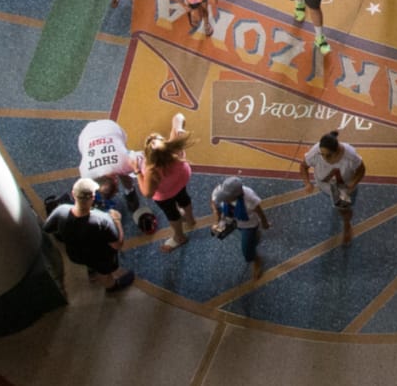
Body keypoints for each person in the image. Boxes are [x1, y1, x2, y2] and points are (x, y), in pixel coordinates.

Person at [45, 177, 133, 293]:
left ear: (73, 194)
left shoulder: (61, 210)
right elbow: (117, 244)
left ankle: (91, 272)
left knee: (89, 262)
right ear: (92, 198)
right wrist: (117, 221)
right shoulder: (103, 219)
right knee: (104, 274)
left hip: (75, 253)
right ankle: (111, 287)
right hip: (100, 256)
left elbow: (48, 229)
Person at [136, 111, 195, 251]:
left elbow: (147, 192)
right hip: (181, 182)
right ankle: (190, 219)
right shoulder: (175, 148)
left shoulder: (151, 170)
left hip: (165, 195)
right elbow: (179, 116)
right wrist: (178, 130)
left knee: (172, 213)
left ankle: (179, 237)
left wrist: (138, 172)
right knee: (184, 198)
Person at [300, 130, 368, 244]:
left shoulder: (350, 156)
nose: (324, 158)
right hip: (324, 186)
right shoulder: (316, 152)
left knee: (344, 210)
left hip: (342, 188)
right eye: (322, 154)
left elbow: (361, 169)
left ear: (338, 152)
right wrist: (307, 183)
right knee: (339, 207)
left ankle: (347, 225)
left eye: (328, 155)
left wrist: (353, 183)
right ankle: (342, 214)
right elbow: (303, 166)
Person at [208, 175, 269, 279]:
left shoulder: (249, 197)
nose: (224, 199)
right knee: (248, 239)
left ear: (237, 194)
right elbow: (214, 202)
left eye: (227, 197)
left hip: (248, 225)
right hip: (231, 219)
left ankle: (256, 260)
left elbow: (259, 211)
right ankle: (254, 236)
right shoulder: (220, 192)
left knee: (247, 251)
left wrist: (264, 222)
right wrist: (217, 220)